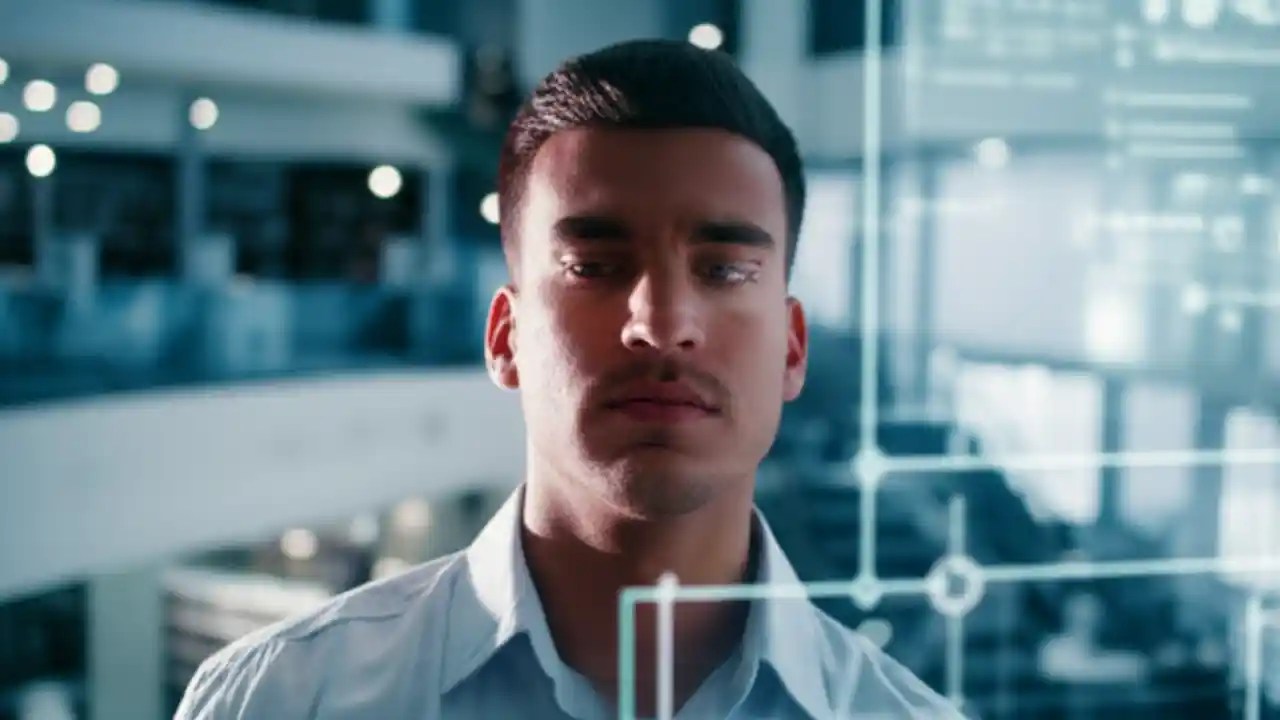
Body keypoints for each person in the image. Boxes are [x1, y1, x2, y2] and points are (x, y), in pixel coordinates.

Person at [176, 39, 964, 720]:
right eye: (593, 266)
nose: (660, 322)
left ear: (792, 350)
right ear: (505, 336)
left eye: (725, 268)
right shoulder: (281, 700)